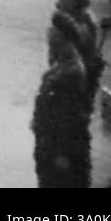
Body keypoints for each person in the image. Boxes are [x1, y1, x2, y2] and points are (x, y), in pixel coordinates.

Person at [31, 13, 91, 188]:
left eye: (53, 31)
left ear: (62, 37)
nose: (49, 32)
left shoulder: (71, 72)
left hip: (58, 146)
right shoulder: (62, 62)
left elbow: (69, 115)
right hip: (48, 140)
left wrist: (62, 153)